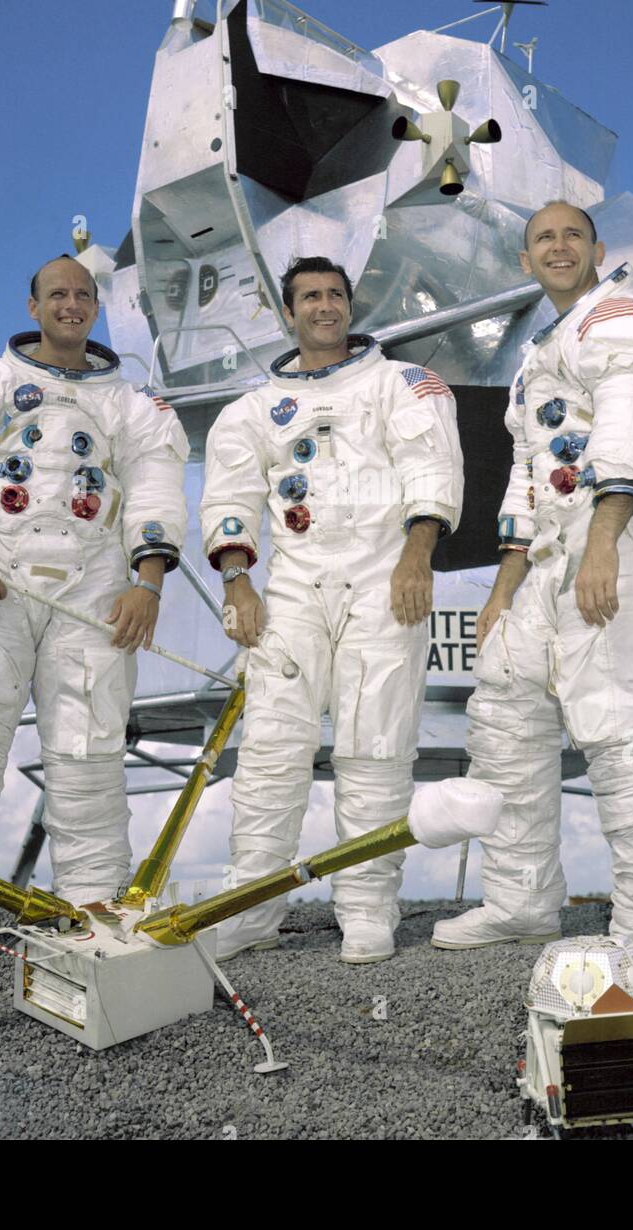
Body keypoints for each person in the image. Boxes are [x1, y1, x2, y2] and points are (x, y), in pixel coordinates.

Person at [0, 255, 189, 972]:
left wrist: (148, 584)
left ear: (96, 308)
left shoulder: (134, 407)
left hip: (93, 594)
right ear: (33, 306)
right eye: (58, 293)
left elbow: (155, 490)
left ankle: (92, 913)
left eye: (83, 294)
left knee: (88, 760)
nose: (71, 303)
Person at [430, 202, 633, 972]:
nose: (558, 246)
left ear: (596, 249)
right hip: (546, 566)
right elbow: (525, 479)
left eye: (572, 235)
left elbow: (632, 428)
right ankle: (521, 902)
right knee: (504, 719)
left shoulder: (623, 319)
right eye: (543, 238)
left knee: (627, 731)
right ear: (526, 260)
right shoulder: (539, 356)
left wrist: (604, 542)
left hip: (618, 548)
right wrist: (502, 589)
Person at [200, 256, 463, 964]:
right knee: (270, 750)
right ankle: (249, 908)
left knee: (374, 748)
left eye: (336, 295)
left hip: (384, 578)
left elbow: (431, 470)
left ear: (350, 305)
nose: (325, 306)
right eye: (310, 297)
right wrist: (237, 583)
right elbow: (228, 499)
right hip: (293, 587)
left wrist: (417, 557)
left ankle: (368, 908)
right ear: (288, 313)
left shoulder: (402, 383)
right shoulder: (250, 411)